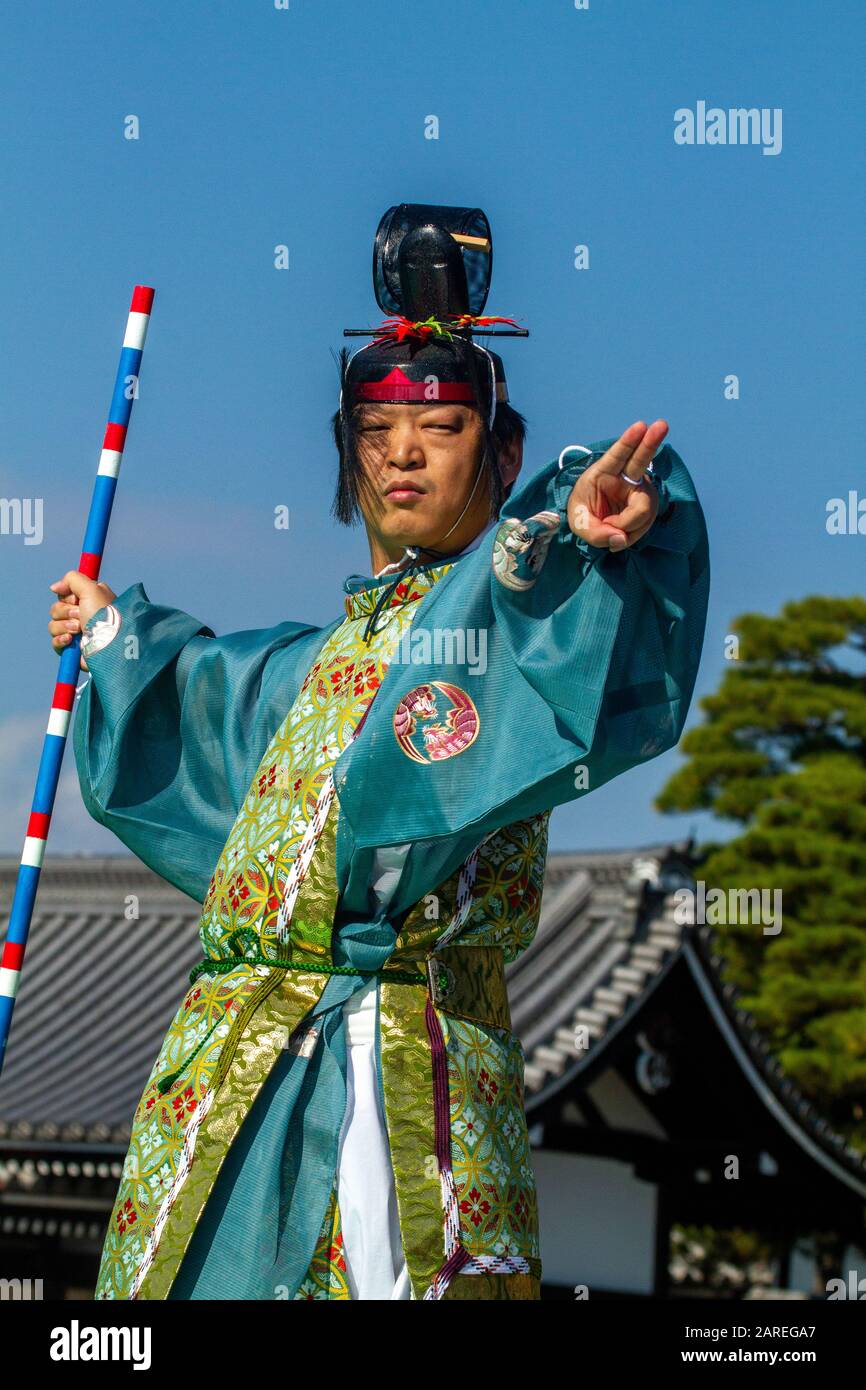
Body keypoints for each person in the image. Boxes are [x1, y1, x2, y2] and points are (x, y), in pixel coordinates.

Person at [49, 204, 710, 1301]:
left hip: (401, 1061)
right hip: (227, 1064)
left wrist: (591, 527)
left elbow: (534, 585)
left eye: (442, 429)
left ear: (500, 450)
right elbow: (207, 698)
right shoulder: (310, 668)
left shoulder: (495, 620)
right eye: (375, 432)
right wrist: (112, 634)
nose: (402, 452)